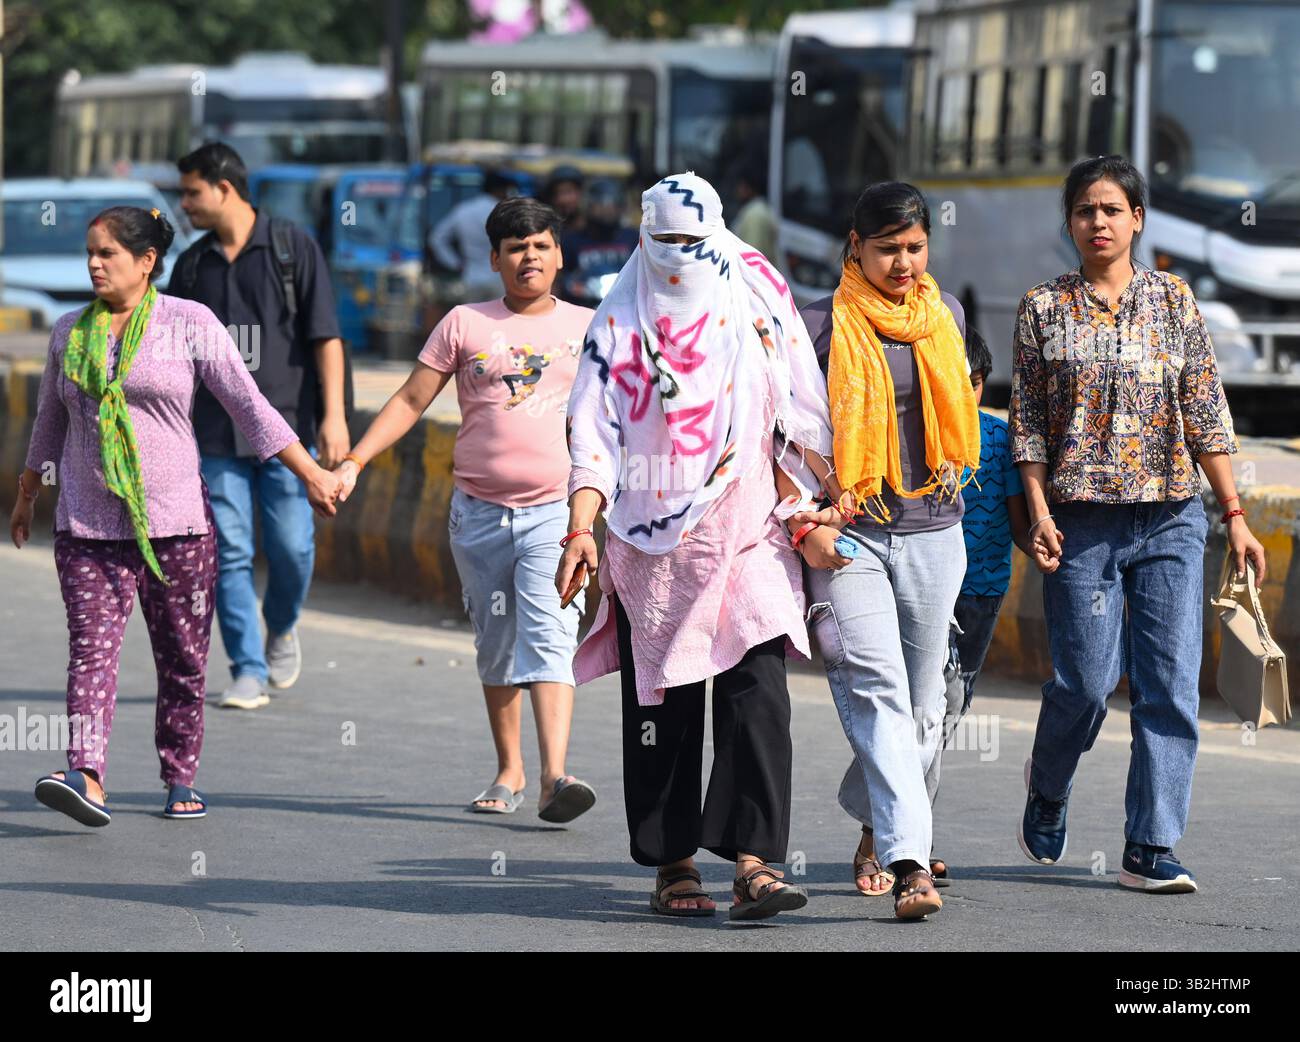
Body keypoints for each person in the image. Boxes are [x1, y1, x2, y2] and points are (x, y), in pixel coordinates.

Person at [559, 173, 836, 920]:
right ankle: (672, 860)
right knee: (666, 705)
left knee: (758, 691)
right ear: (644, 240)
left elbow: (798, 405)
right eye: (666, 243)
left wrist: (813, 502)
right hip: (652, 547)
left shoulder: (756, 296)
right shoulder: (616, 326)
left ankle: (754, 861)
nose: (680, 258)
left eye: (694, 243)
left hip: (749, 530)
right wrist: (582, 527)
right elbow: (592, 435)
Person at [11, 205, 341, 826]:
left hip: (178, 527)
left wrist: (313, 473)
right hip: (87, 526)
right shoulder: (68, 333)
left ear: (146, 262)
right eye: (90, 252)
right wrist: (29, 493)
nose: (93, 264)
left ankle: (179, 774)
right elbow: (49, 421)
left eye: (107, 253)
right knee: (90, 652)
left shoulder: (188, 324)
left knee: (183, 659)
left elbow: (250, 406)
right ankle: (86, 773)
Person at [1011, 155, 1266, 894]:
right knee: (1086, 684)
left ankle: (1150, 845)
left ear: (1138, 219)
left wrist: (1237, 515)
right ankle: (1049, 783)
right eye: (1086, 210)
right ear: (1070, 222)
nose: (1099, 221)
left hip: (1171, 520)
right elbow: (1026, 426)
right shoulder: (1042, 307)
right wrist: (1038, 513)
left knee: (1169, 684)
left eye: (1113, 209)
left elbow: (1206, 412)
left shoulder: (1175, 302)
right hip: (1080, 523)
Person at [334, 197, 598, 823]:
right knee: (497, 640)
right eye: (515, 248)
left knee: (552, 635)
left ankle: (556, 776)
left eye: (539, 246)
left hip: (556, 516)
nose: (528, 257)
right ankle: (510, 769)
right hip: (476, 514)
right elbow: (408, 400)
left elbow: (624, 413)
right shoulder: (464, 322)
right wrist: (355, 461)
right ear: (495, 259)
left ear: (558, 256)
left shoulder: (593, 326)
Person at [794, 181, 980, 919]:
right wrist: (812, 513)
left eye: (914, 247)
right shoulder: (818, 325)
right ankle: (910, 865)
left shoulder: (948, 315)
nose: (902, 263)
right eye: (886, 249)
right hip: (854, 533)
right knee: (879, 692)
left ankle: (874, 806)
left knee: (927, 710)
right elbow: (788, 434)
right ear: (855, 246)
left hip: (937, 528)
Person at [170, 142, 349, 711]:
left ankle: (281, 625)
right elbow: (171, 355)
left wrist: (336, 418)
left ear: (224, 188)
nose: (185, 205)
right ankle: (246, 666)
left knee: (293, 547)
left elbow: (326, 336)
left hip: (289, 435)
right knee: (228, 551)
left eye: (192, 192)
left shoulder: (293, 248)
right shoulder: (191, 265)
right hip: (215, 436)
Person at [924, 325, 1032, 883]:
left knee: (946, 713)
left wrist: (1042, 541)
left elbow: (1019, 520)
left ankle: (904, 832)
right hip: (919, 588)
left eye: (965, 382)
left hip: (980, 595)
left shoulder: (1000, 439)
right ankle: (898, 838)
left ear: (981, 383)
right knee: (919, 712)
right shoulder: (909, 436)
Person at [430, 170, 515, 298]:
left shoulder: (463, 210)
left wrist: (455, 263)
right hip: (501, 278)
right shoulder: (505, 211)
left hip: (472, 277)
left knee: (472, 317)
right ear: (500, 190)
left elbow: (436, 238)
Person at [558, 178, 638, 307]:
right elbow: (563, 277)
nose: (606, 210)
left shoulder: (633, 237)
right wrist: (573, 286)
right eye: (600, 204)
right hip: (584, 306)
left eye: (612, 204)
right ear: (588, 205)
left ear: (621, 207)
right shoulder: (571, 240)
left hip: (625, 305)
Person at [731, 171, 777, 262]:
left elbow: (752, 258)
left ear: (749, 188)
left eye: (741, 186)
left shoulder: (756, 215)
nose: (738, 190)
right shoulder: (756, 209)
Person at [542, 164, 584, 229]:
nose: (566, 199)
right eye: (561, 193)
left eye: (569, 191)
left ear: (579, 193)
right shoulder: (546, 230)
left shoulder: (595, 230)